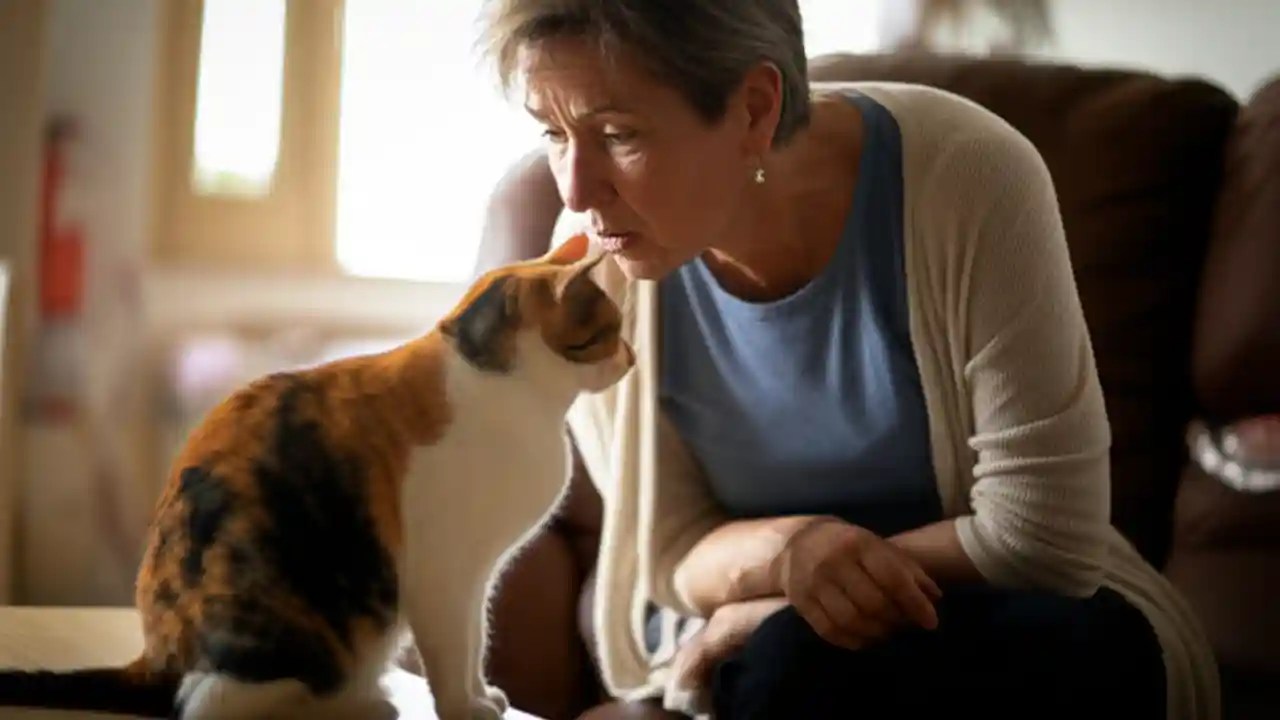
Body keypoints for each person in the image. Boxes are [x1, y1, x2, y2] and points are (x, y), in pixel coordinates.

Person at [473, 1, 1219, 718]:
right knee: (791, 661)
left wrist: (789, 604)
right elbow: (666, 555)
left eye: (618, 135)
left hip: (1028, 621)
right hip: (781, 653)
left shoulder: (971, 176)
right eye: (553, 133)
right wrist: (795, 556)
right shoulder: (600, 265)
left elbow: (1043, 535)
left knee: (797, 659)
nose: (574, 187)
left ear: (755, 108)